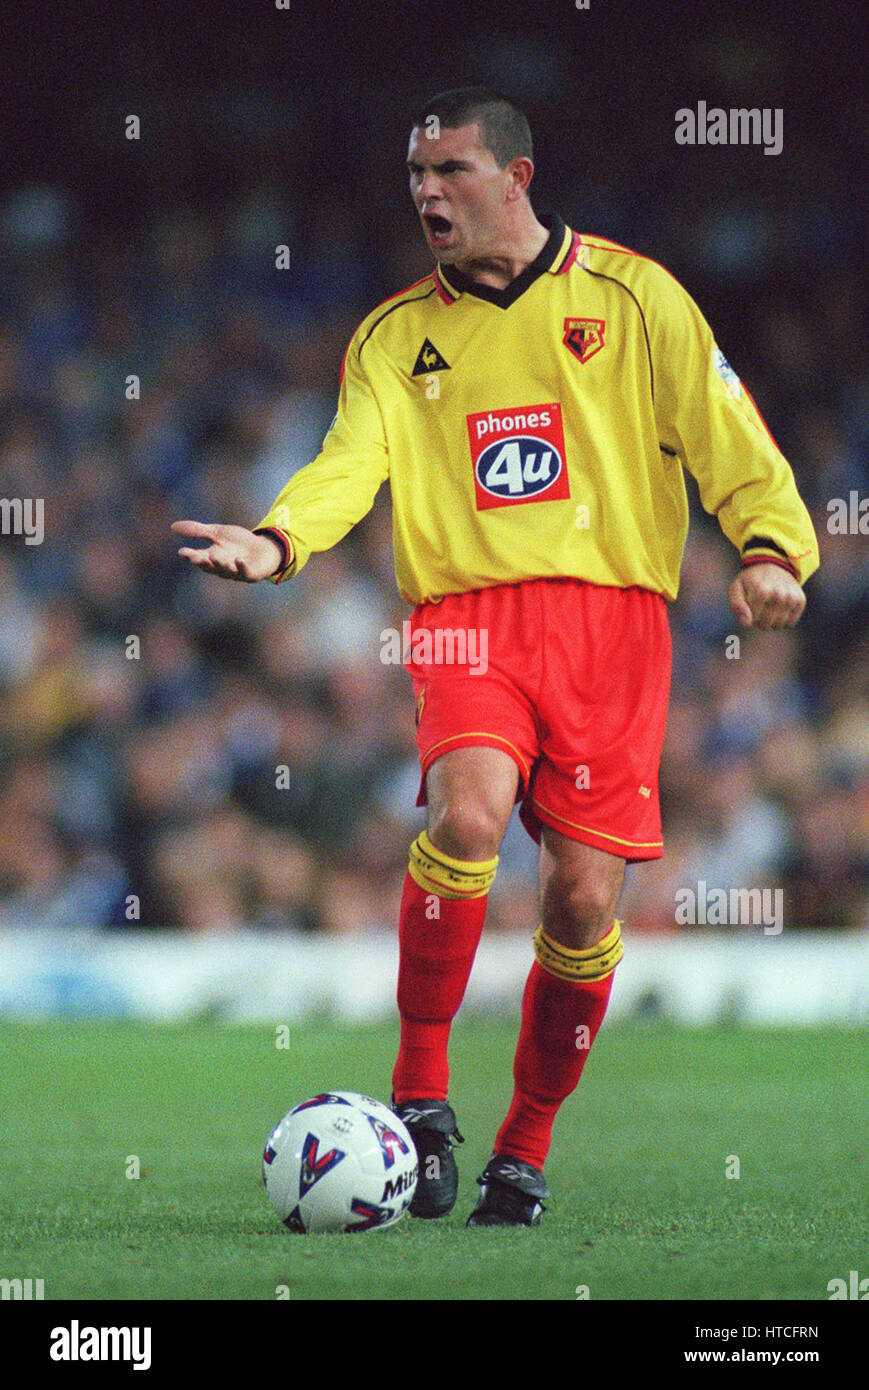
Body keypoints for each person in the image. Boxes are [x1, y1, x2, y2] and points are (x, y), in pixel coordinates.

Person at [173, 87, 819, 1227]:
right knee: (464, 818)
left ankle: (522, 1146)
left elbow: (731, 434)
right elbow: (347, 462)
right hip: (467, 617)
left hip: (614, 630)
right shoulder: (388, 336)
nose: (426, 191)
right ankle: (421, 1097)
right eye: (415, 174)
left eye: (450, 171)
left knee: (577, 900)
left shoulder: (633, 296)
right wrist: (277, 539)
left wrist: (771, 546)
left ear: (515, 178)